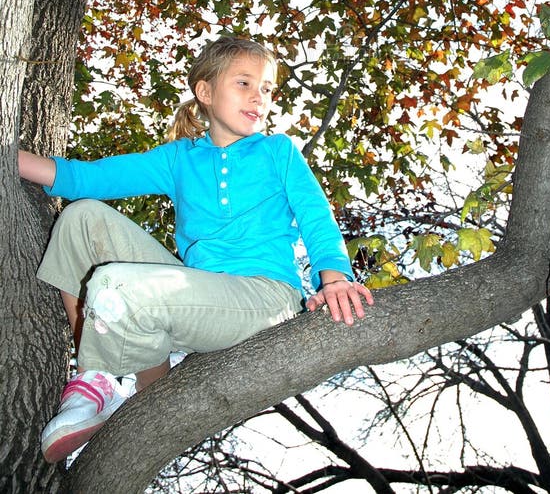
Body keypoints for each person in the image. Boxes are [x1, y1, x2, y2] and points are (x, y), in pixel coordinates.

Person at [19, 36, 373, 463]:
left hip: (263, 298)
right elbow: (85, 179)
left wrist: (334, 278)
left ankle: (115, 377)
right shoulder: (179, 159)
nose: (259, 97)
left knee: (117, 285)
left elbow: (316, 215)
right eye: (244, 83)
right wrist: (7, 157)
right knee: (81, 218)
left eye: (267, 88)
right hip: (196, 294)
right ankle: (101, 378)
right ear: (205, 92)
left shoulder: (278, 152)